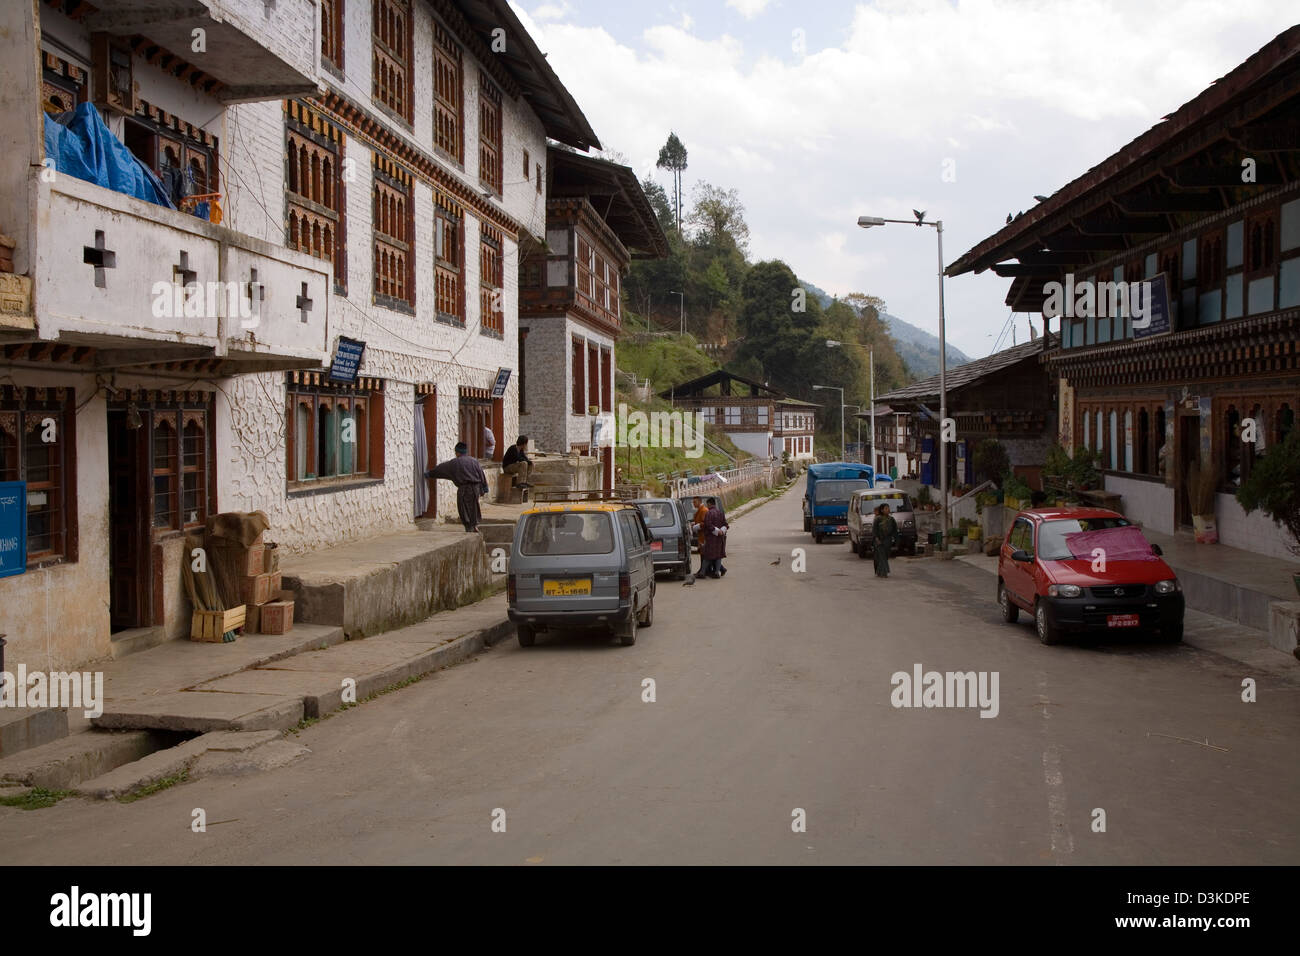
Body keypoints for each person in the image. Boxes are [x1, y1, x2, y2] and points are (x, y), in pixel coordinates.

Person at [427, 442, 488, 533]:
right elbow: (481, 474)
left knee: (464, 507)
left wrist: (429, 474)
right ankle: (474, 525)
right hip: (476, 488)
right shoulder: (474, 461)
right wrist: (484, 488)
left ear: (457, 452)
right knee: (474, 506)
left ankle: (470, 527)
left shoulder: (454, 463)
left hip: (464, 488)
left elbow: (441, 469)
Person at [701, 497, 728, 578]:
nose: (707, 506)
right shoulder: (720, 513)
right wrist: (721, 531)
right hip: (719, 538)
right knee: (718, 556)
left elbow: (708, 525)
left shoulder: (709, 513)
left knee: (708, 556)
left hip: (710, 538)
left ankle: (702, 572)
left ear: (709, 504)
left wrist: (716, 530)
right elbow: (726, 524)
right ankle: (717, 572)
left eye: (707, 504)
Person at [872, 503, 898, 578]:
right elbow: (874, 531)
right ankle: (884, 572)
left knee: (885, 556)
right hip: (879, 541)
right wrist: (877, 539)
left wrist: (896, 542)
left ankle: (879, 571)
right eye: (886, 508)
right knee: (882, 556)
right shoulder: (878, 519)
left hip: (888, 541)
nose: (888, 510)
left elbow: (895, 531)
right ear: (882, 510)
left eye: (888, 508)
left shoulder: (891, 519)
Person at [691, 496, 709, 575]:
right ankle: (702, 570)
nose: (693, 503)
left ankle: (703, 571)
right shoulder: (700, 510)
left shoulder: (704, 510)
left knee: (704, 553)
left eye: (694, 502)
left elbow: (705, 523)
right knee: (702, 553)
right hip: (700, 536)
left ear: (699, 501)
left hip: (704, 535)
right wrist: (694, 524)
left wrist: (696, 526)